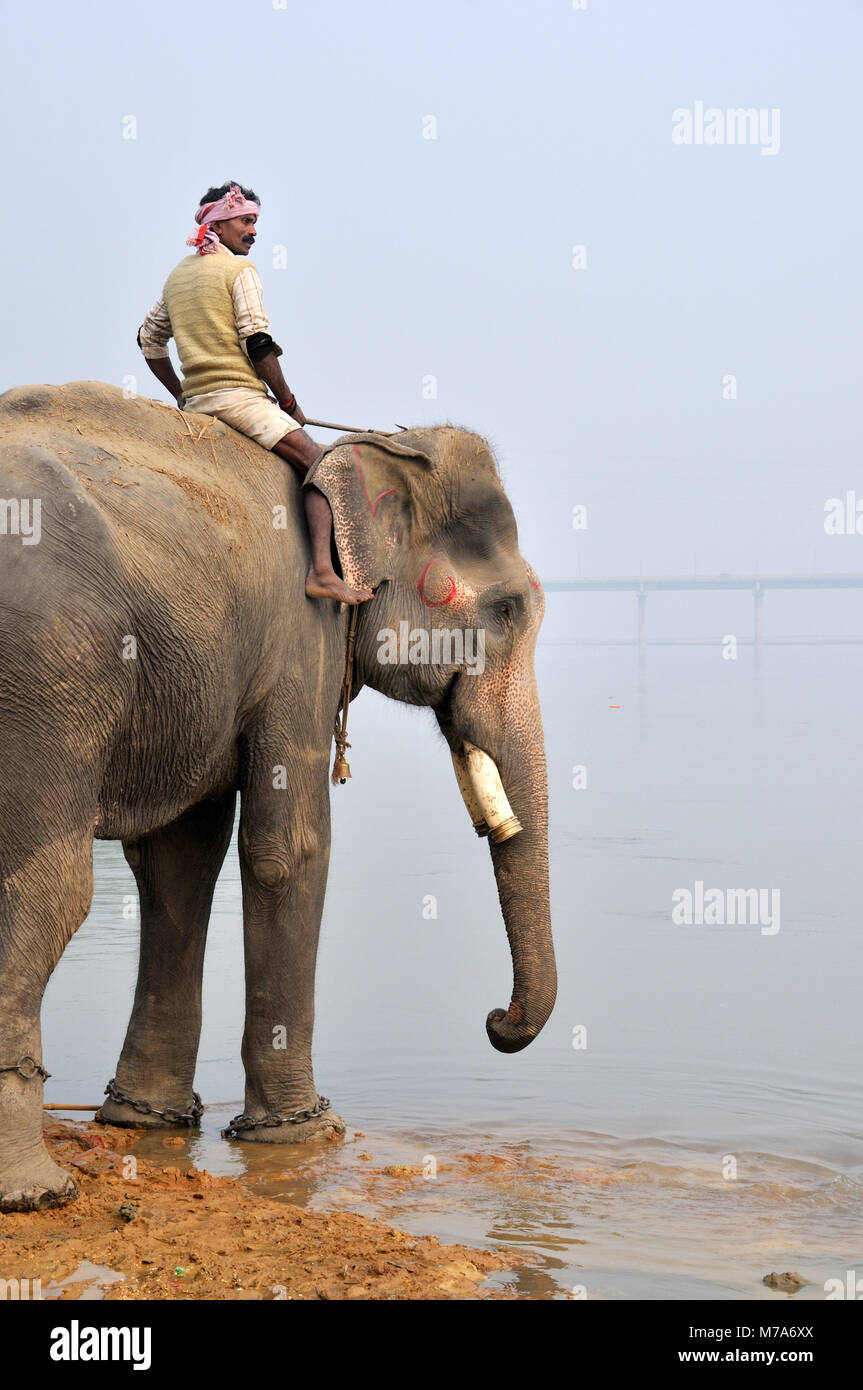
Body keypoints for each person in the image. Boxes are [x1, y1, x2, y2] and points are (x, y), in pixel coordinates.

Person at [137, 181, 371, 605]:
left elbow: (147, 340)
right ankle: (321, 571)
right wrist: (288, 403)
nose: (254, 231)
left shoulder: (177, 277)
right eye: (246, 221)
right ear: (220, 224)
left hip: (199, 404)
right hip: (239, 401)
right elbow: (258, 344)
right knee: (322, 465)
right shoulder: (239, 272)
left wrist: (182, 394)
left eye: (255, 222)